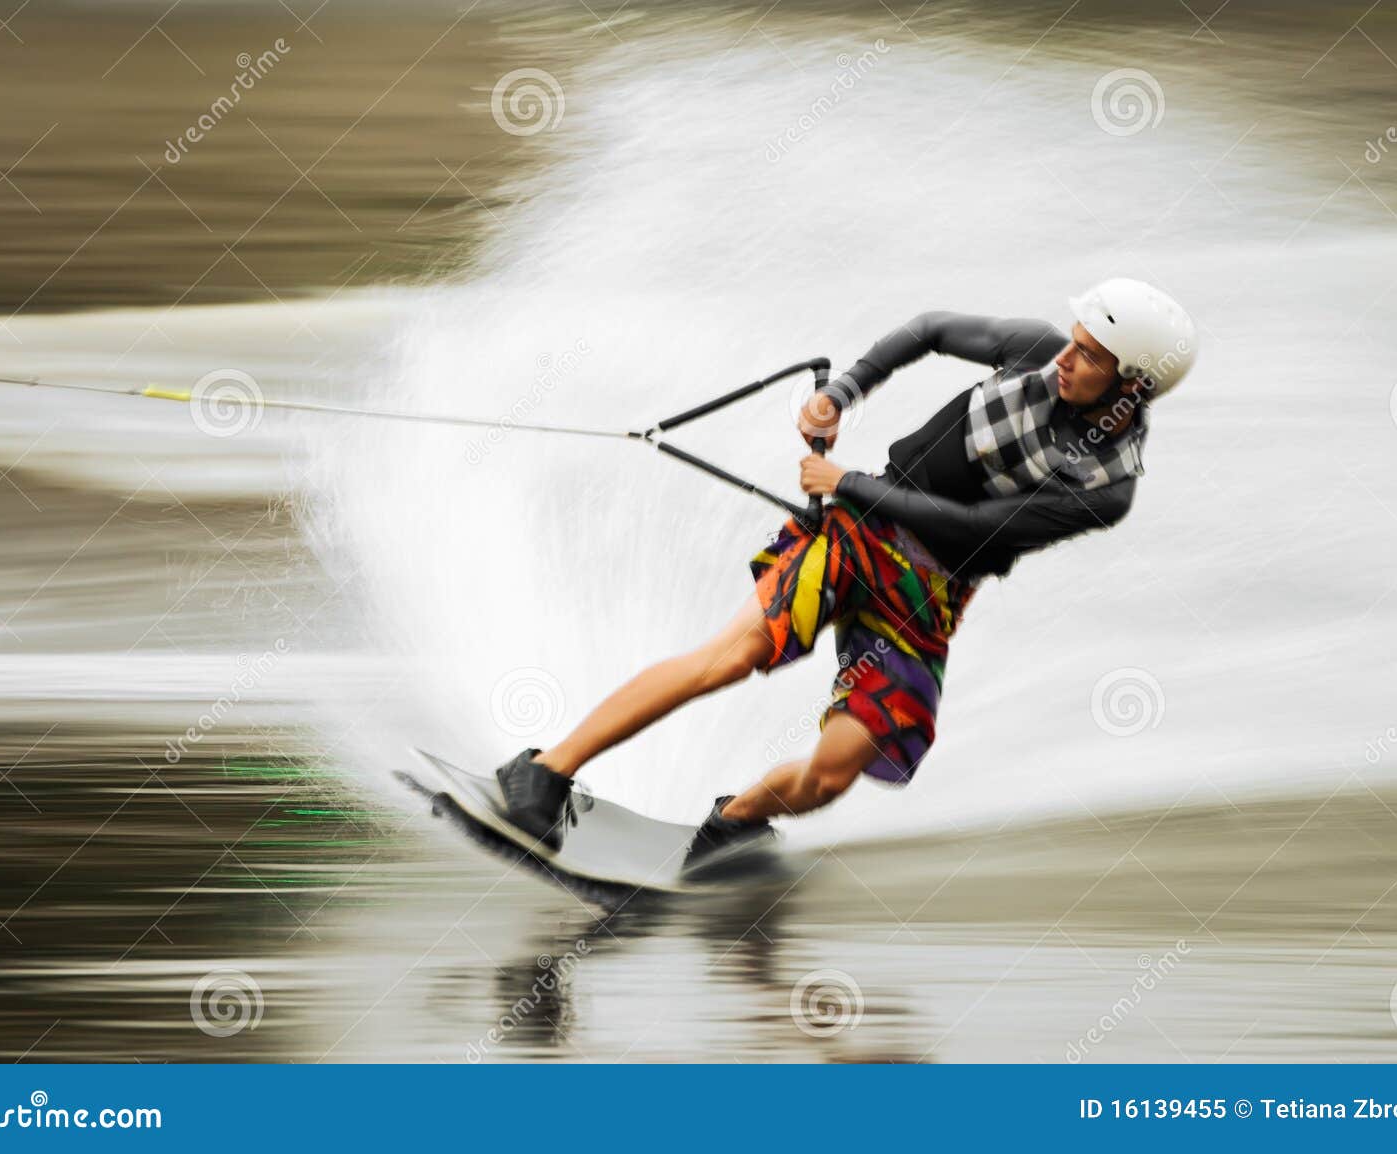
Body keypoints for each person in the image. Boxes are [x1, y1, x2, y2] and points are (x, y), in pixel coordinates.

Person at [494, 278, 1199, 868]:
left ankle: (733, 824)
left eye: (1088, 355)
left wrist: (844, 480)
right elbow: (929, 329)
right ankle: (546, 771)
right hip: (857, 535)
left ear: (1133, 385)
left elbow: (975, 527)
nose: (1065, 358)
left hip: (928, 596)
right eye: (1073, 340)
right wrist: (843, 393)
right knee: (734, 656)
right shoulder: (1033, 351)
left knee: (835, 771)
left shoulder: (1106, 490)